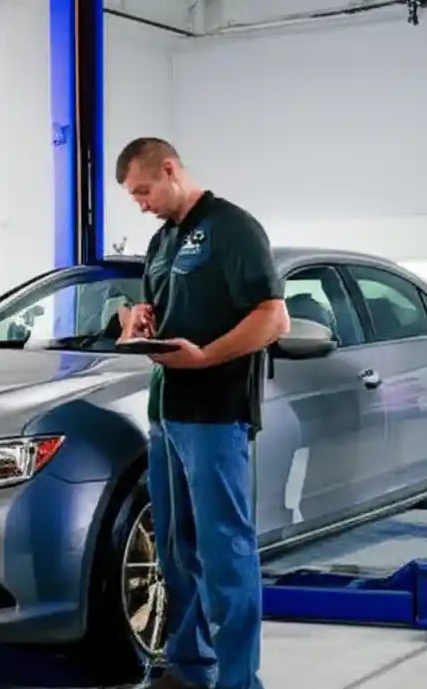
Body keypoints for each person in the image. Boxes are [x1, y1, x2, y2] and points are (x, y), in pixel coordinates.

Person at [114, 137, 290, 689]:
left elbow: (274, 319)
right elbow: (169, 317)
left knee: (225, 552)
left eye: (144, 189)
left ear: (170, 170)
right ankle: (189, 667)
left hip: (215, 414)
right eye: (132, 195)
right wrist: (140, 322)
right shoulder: (162, 241)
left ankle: (239, 681)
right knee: (174, 547)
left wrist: (206, 358)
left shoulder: (232, 228)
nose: (140, 202)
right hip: (166, 414)